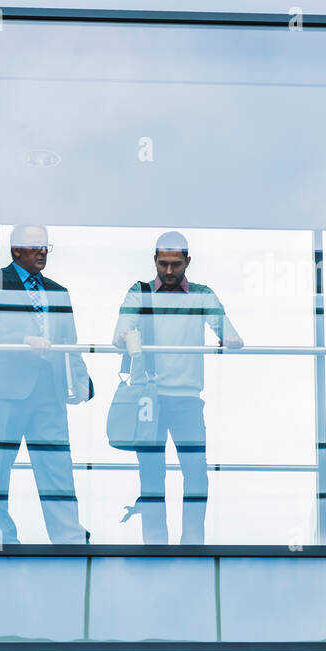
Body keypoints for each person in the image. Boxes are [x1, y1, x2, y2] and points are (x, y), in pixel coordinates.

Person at [113, 231, 242, 544]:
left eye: (175, 264)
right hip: (148, 398)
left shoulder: (201, 294)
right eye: (162, 264)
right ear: (154, 261)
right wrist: (129, 340)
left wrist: (229, 338)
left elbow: (230, 334)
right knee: (152, 474)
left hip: (186, 398)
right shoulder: (139, 292)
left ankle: (193, 541)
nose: (169, 271)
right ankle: (155, 543)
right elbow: (119, 336)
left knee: (196, 472)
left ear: (187, 261)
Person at [0, 224, 92, 544]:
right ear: (15, 250)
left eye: (45, 246)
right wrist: (22, 339)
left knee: (57, 466)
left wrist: (80, 378)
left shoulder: (58, 290)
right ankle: (1, 537)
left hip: (48, 391)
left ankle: (70, 538)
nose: (42, 252)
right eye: (35, 246)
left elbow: (69, 340)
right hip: (2, 390)